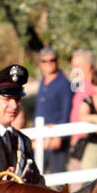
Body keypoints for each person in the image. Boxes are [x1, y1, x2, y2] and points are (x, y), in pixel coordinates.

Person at [33, 46, 73, 174]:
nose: (49, 64)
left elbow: (66, 110)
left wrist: (59, 135)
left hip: (55, 138)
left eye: (53, 60)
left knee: (58, 174)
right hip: (41, 136)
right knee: (37, 175)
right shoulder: (43, 81)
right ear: (40, 63)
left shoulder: (64, 83)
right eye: (45, 61)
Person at [66, 49, 95, 169]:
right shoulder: (81, 85)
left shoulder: (94, 86)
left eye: (76, 66)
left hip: (86, 143)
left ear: (87, 66)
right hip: (77, 141)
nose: (74, 70)